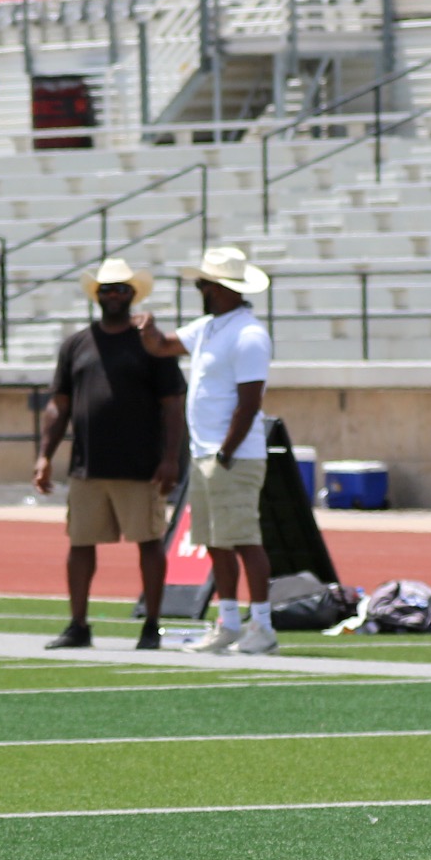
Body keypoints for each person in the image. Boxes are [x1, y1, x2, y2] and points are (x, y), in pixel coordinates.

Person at [34, 258, 186, 651]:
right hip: (89, 465)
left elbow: (173, 405)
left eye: (121, 288)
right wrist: (45, 454)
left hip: (142, 466)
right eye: (107, 288)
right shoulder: (76, 344)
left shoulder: (151, 342)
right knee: (80, 544)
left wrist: (171, 459)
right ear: (96, 295)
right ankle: (78, 625)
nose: (114, 294)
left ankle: (152, 625)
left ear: (133, 294)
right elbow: (59, 404)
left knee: (150, 542)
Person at [139, 246, 277, 656]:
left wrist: (225, 452)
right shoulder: (210, 327)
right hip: (207, 454)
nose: (200, 288)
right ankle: (229, 623)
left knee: (244, 539)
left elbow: (249, 402)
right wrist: (146, 328)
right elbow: (162, 345)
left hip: (230, 456)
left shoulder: (249, 334)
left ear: (225, 288)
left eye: (206, 283)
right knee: (215, 542)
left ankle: (263, 626)